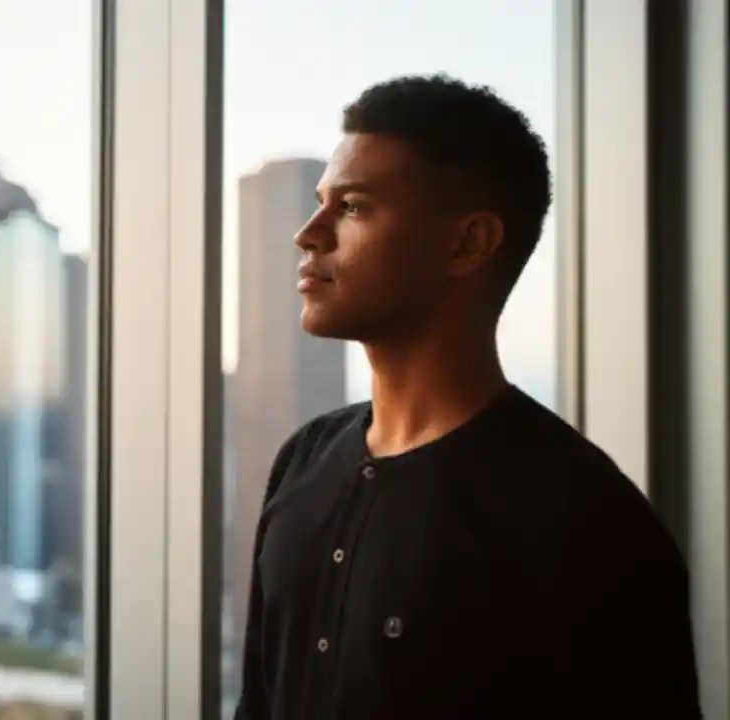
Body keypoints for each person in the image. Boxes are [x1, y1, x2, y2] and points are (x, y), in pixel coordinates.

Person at [234, 75, 701, 719]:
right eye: (321, 203)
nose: (308, 234)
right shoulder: (304, 459)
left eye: (354, 207)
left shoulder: (586, 520)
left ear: (468, 244)